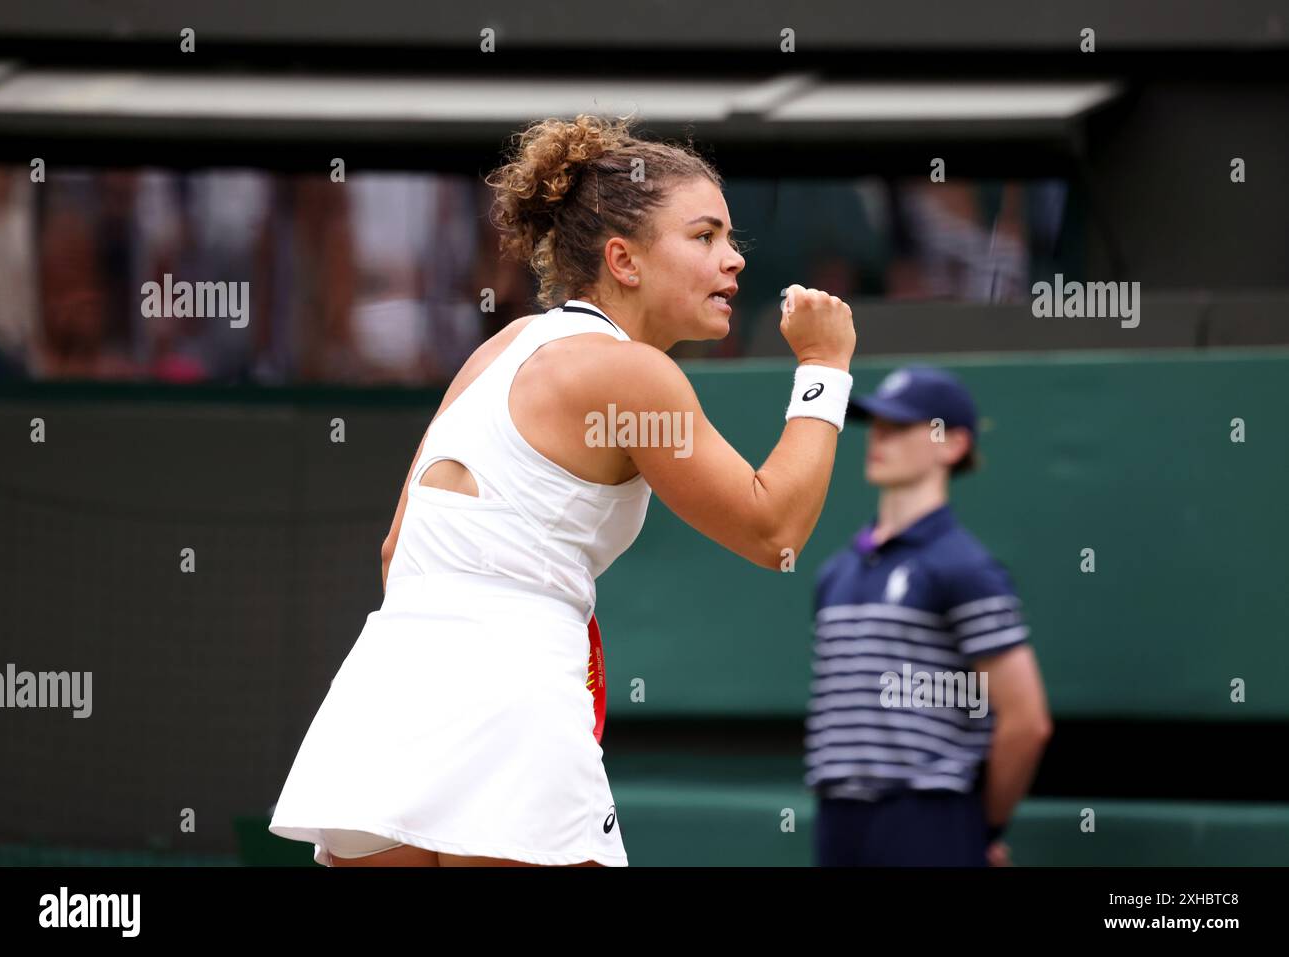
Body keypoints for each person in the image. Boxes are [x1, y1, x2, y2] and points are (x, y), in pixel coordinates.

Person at [269, 113, 857, 867]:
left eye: (731, 239)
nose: (733, 260)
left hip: (384, 695)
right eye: (706, 236)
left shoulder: (499, 346)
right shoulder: (635, 373)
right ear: (625, 260)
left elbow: (396, 549)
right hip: (512, 703)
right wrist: (824, 365)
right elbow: (774, 528)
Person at [805, 365, 1052, 866]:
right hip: (838, 819)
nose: (878, 438)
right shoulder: (836, 572)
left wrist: (979, 828)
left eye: (899, 427)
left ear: (952, 444)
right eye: (875, 425)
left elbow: (1027, 722)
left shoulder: (965, 568)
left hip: (926, 819)